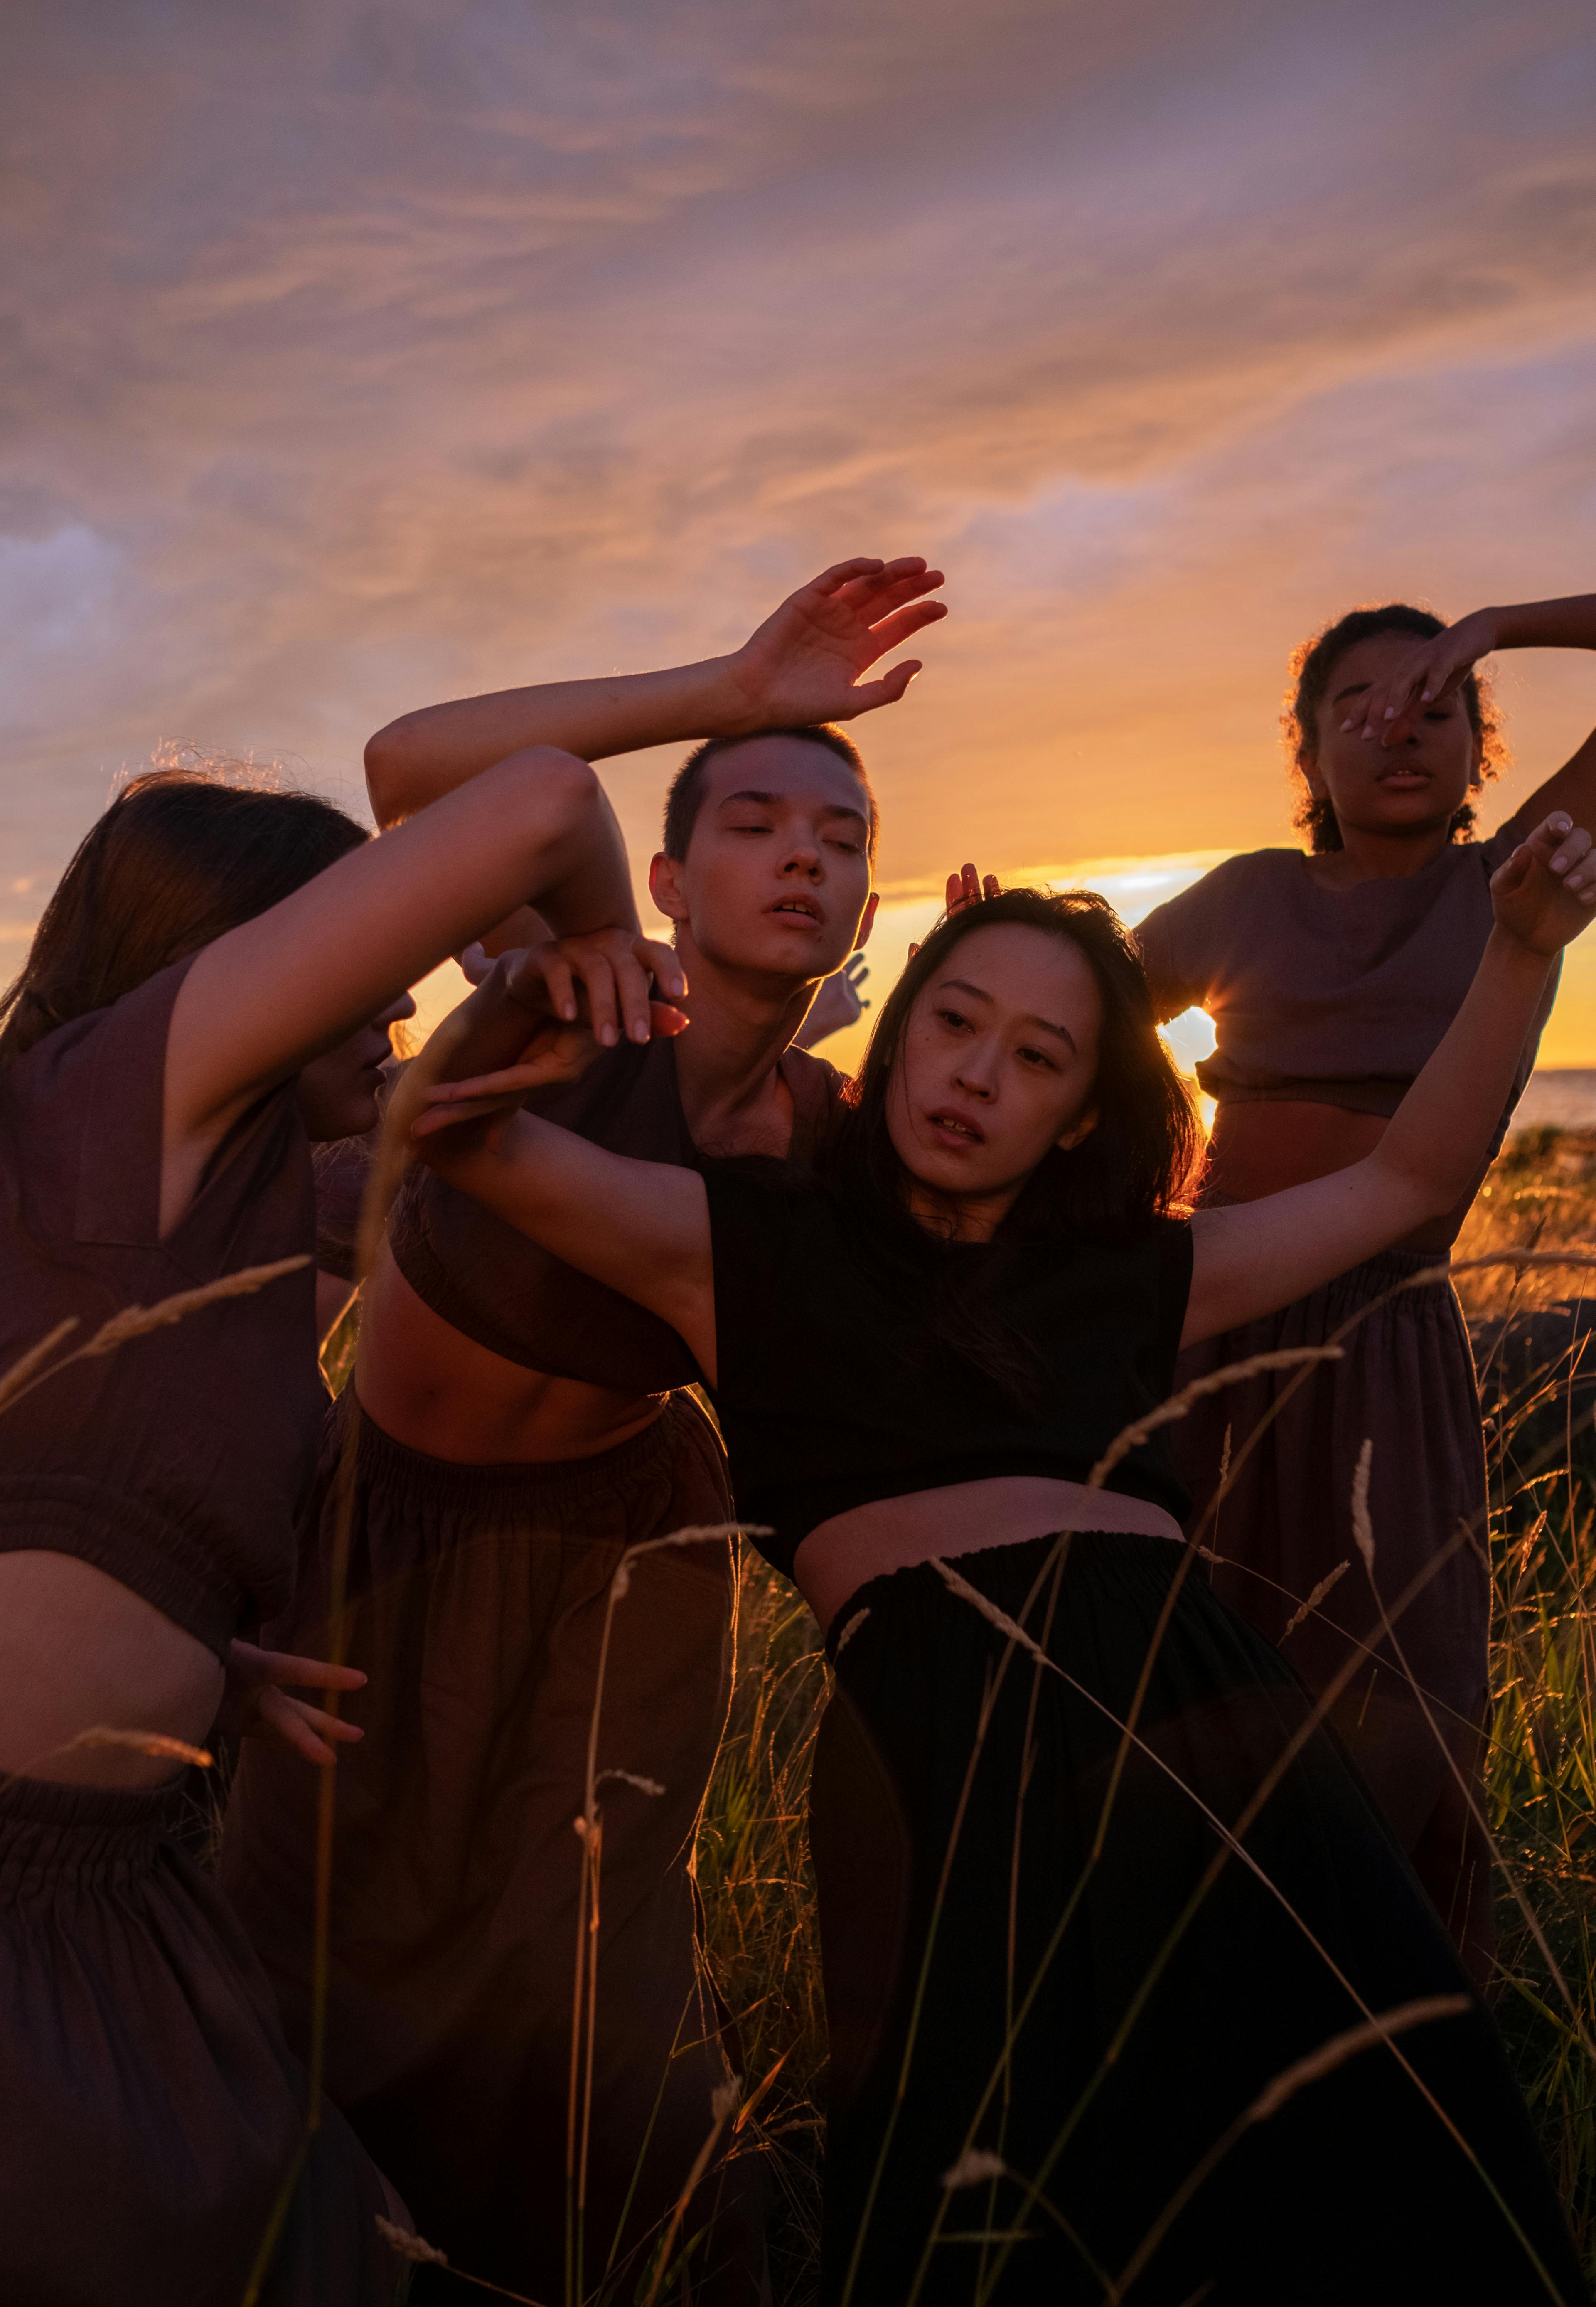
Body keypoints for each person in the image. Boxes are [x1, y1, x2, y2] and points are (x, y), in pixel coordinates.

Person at [401, 818, 1596, 2306]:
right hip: (936, 1745)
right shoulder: (745, 1245)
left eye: (1037, 1057)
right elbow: (450, 1125)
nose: (975, 1073)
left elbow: (1407, 1184)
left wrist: (1522, 945)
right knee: (993, 2215)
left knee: (1361, 2192)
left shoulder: (1136, 1274)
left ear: (1083, 1115)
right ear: (897, 1037)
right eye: (954, 1024)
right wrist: (548, 977)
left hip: (1212, 1740)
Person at [220, 555, 946, 2303]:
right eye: (758, 819)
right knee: (306, 1959)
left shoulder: (835, 1144)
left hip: (613, 1578)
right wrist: (734, 687)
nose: (801, 855)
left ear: (863, 905)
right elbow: (412, 765)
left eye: (838, 842)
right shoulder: (583, 982)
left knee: (581, 2004)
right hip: (373, 1537)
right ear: (675, 879)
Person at [0, 738, 662, 2307]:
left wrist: (190, 1646)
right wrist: (610, 921)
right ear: (239, 969)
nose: (395, 1007)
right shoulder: (109, 1097)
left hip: (126, 1887)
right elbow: (547, 798)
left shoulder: (189, 1193)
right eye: (360, 965)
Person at [1132, 589, 1596, 1975]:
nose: (1398, 727)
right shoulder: (1245, 895)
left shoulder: (1515, 882)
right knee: (1190, 1707)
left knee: (1401, 1710)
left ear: (1478, 747)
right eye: (1357, 707)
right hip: (1200, 1334)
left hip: (1389, 1345)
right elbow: (1066, 1018)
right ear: (1308, 754)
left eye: (1435, 702)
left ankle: (1396, 2049)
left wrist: (1500, 623)